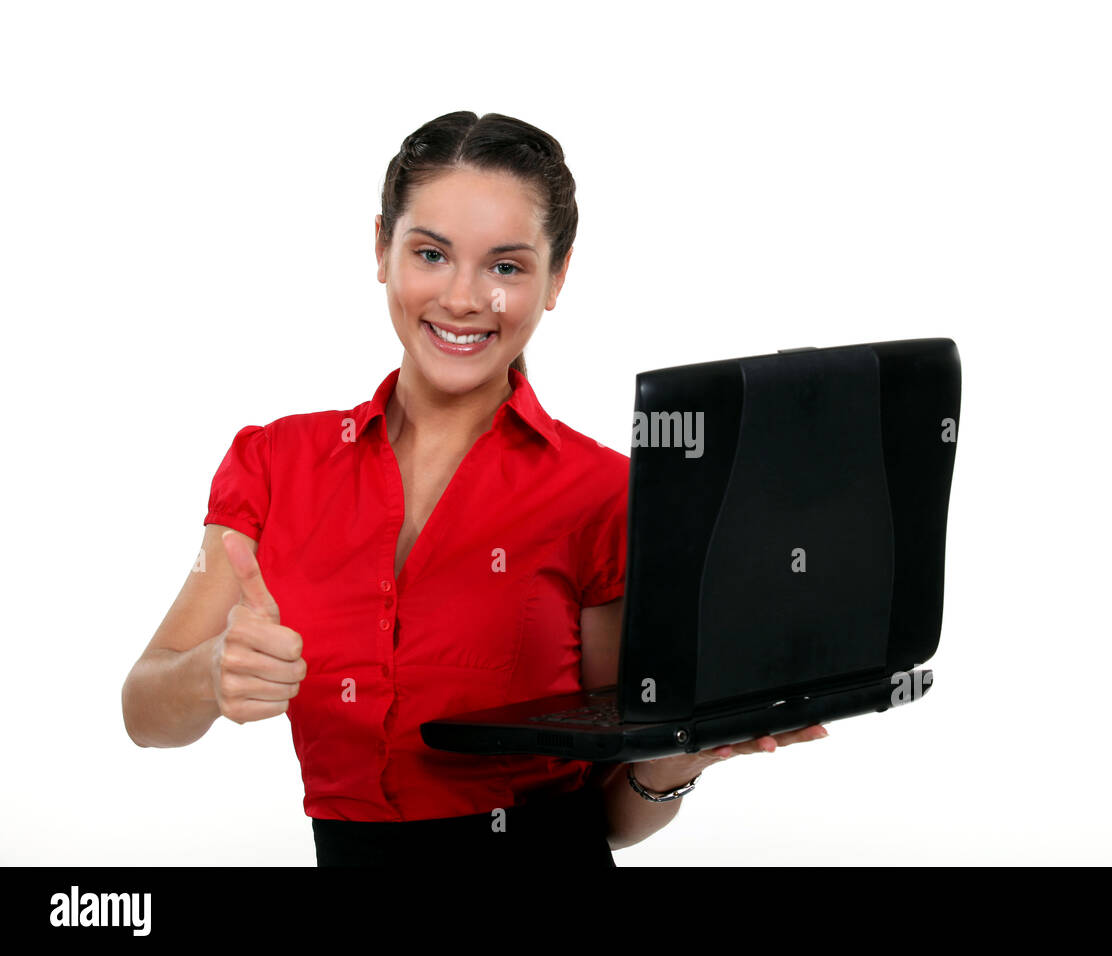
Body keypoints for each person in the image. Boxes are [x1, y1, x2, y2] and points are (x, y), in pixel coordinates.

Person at [121, 111, 829, 867]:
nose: (464, 299)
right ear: (381, 250)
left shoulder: (602, 494)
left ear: (556, 279)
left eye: (506, 267)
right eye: (431, 253)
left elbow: (611, 813)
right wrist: (211, 671)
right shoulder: (275, 463)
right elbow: (144, 710)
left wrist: (675, 761)